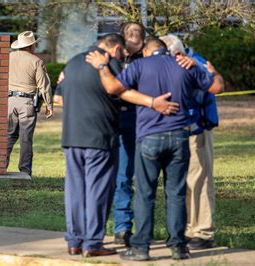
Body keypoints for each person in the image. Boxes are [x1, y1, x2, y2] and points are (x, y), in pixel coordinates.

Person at [86, 37, 224, 261]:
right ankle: (179, 247)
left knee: (145, 194)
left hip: (149, 137)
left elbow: (113, 87)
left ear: (147, 51)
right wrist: (213, 71)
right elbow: (217, 87)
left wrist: (101, 65)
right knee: (176, 193)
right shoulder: (185, 64)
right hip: (180, 136)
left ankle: (141, 247)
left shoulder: (140, 65)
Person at [55, 34, 179, 257]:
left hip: (71, 137)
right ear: (116, 48)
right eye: (122, 52)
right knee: (98, 191)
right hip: (100, 138)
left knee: (74, 191)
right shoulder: (108, 64)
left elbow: (59, 99)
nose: (123, 57)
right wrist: (152, 102)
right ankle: (92, 243)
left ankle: (74, 241)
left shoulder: (72, 63)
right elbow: (121, 91)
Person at [160, 34, 219, 250]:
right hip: (175, 131)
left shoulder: (197, 63)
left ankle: (202, 232)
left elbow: (214, 86)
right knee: (180, 183)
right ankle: (183, 230)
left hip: (196, 130)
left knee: (199, 181)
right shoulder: (179, 61)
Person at [112, 22, 145, 246]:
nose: (132, 42)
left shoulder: (146, 61)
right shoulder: (109, 60)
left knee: (125, 176)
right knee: (106, 177)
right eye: (129, 38)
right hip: (108, 122)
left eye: (137, 38)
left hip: (136, 121)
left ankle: (123, 226)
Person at [6, 31, 53, 177]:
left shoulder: (7, 57)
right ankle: (25, 171)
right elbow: (43, 86)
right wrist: (49, 105)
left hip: (8, 101)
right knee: (26, 138)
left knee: (9, 136)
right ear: (31, 46)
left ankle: (0, 166)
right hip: (26, 103)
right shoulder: (36, 61)